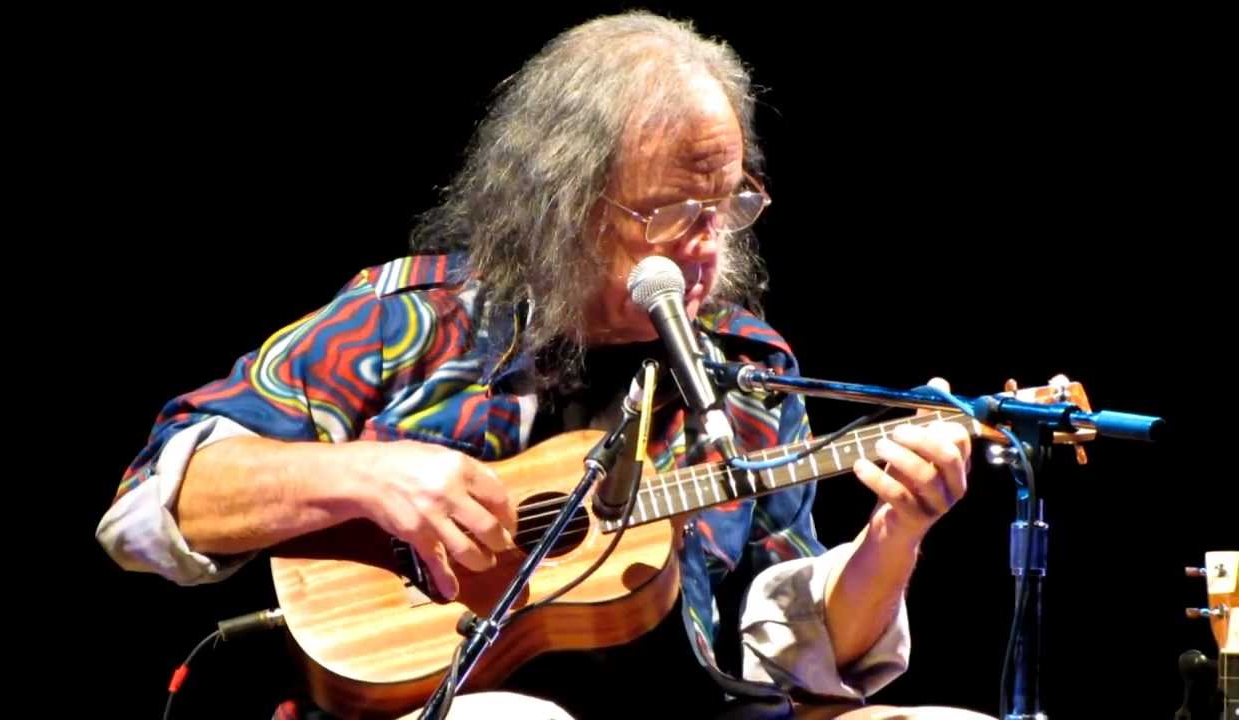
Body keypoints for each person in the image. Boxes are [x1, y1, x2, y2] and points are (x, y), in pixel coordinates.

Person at [97, 12, 994, 720]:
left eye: (726, 206)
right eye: (670, 211)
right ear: (563, 205)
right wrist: (367, 474)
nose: (707, 245)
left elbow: (784, 660)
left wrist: (893, 539)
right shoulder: (414, 317)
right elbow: (153, 504)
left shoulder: (747, 372)